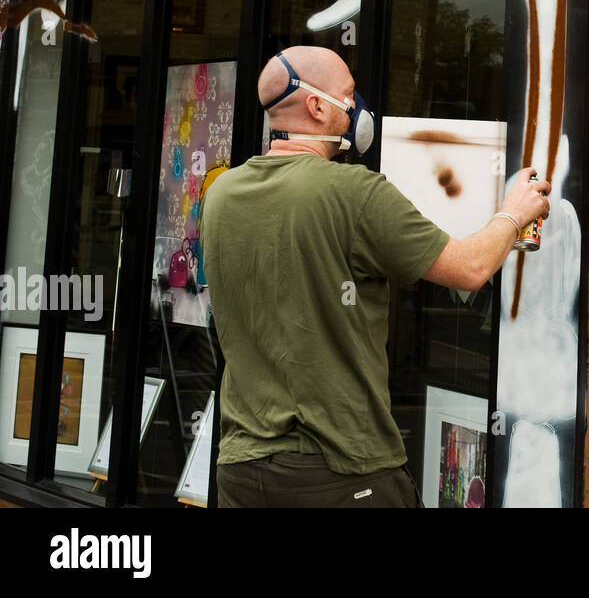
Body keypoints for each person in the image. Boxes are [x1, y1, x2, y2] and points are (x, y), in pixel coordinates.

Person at [201, 45, 550, 508]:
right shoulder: (354, 192)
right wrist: (513, 213)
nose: (356, 106)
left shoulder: (221, 193)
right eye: (348, 93)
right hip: (342, 470)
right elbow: (469, 269)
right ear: (317, 105)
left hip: (241, 471)